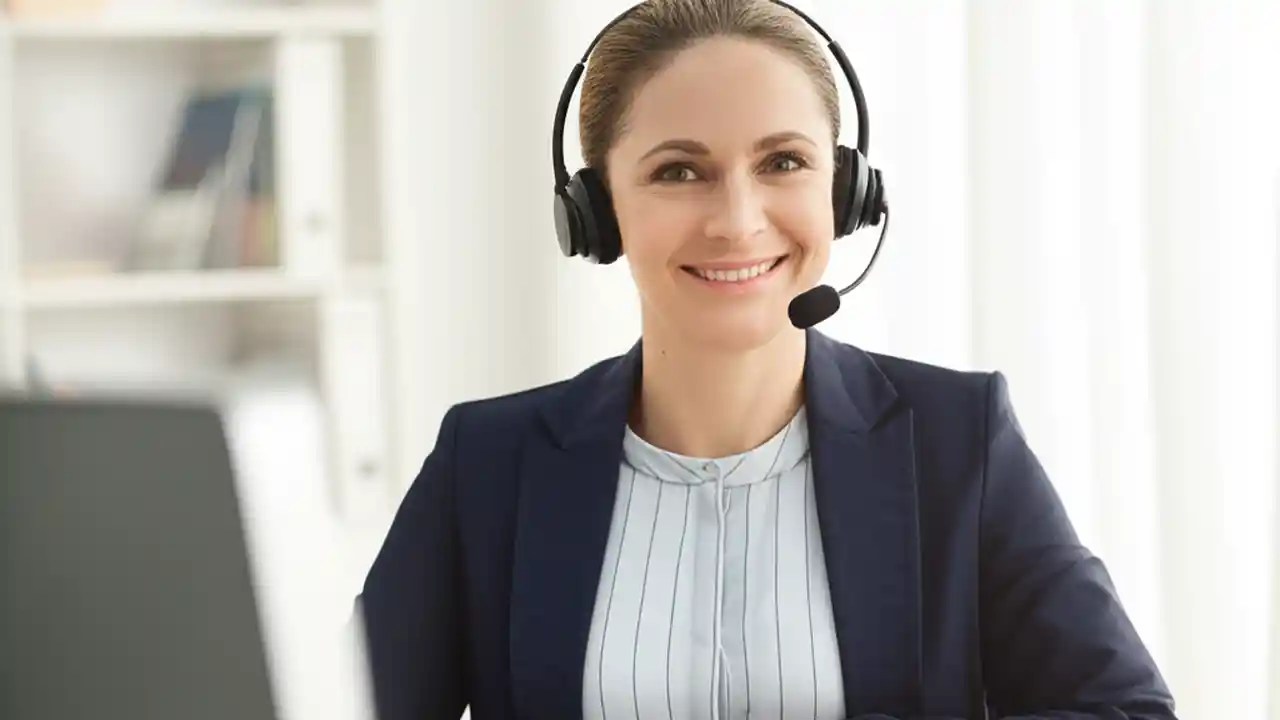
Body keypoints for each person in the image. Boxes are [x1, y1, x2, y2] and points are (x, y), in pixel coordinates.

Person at [356, 1, 1176, 718]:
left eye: (783, 162)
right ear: (596, 211)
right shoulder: (490, 464)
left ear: (844, 190)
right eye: (679, 171)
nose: (737, 220)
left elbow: (1127, 712)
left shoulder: (959, 441)